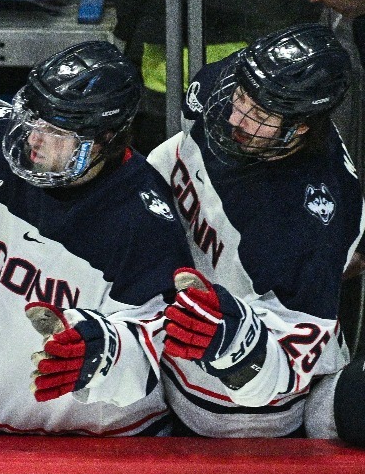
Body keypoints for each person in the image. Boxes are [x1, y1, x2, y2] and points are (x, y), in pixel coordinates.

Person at [0, 42, 193, 437]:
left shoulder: (144, 217)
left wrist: (101, 353)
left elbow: (156, 342)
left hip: (94, 441)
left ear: (107, 138)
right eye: (31, 120)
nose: (33, 140)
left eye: (57, 132)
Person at [147, 24, 362, 437]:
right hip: (165, 360)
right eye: (241, 96)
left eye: (259, 115)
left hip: (236, 416)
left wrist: (234, 346)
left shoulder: (312, 222)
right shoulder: (233, 81)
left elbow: (293, 354)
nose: (233, 117)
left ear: (301, 127)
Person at [109, 0, 314, 151]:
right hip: (165, 100)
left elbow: (299, 8)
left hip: (249, 97)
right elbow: (139, 13)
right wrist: (260, 5)